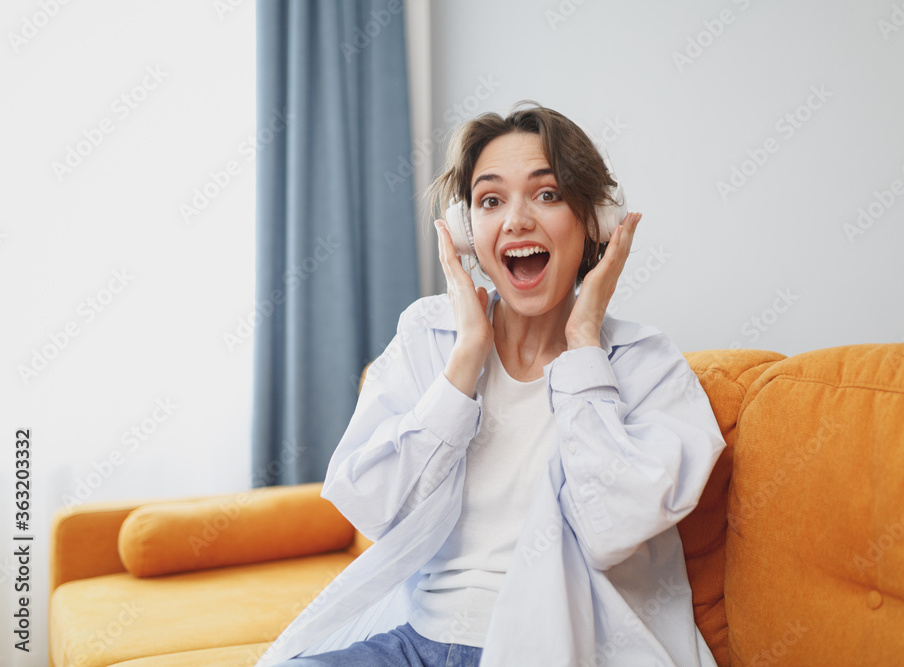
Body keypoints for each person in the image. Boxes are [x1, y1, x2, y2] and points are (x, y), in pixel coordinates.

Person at [257, 102, 725, 667]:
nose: (517, 220)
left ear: (596, 220)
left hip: (556, 649)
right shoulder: (430, 336)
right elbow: (372, 507)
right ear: (464, 231)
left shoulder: (645, 364)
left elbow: (614, 528)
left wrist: (583, 343)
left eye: (547, 194)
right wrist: (464, 363)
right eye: (490, 200)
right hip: (416, 646)